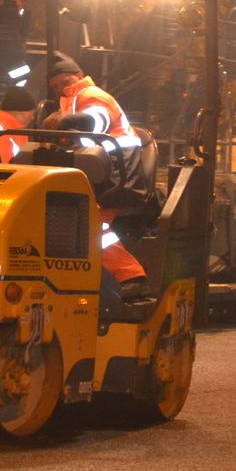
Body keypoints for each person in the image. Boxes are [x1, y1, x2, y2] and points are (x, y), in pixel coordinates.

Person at [46, 52, 149, 300]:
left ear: (79, 76)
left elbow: (96, 121)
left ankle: (131, 277)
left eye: (65, 81)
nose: (61, 87)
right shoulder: (69, 100)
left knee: (92, 228)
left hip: (114, 175)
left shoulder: (92, 96)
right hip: (97, 172)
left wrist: (65, 122)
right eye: (56, 85)